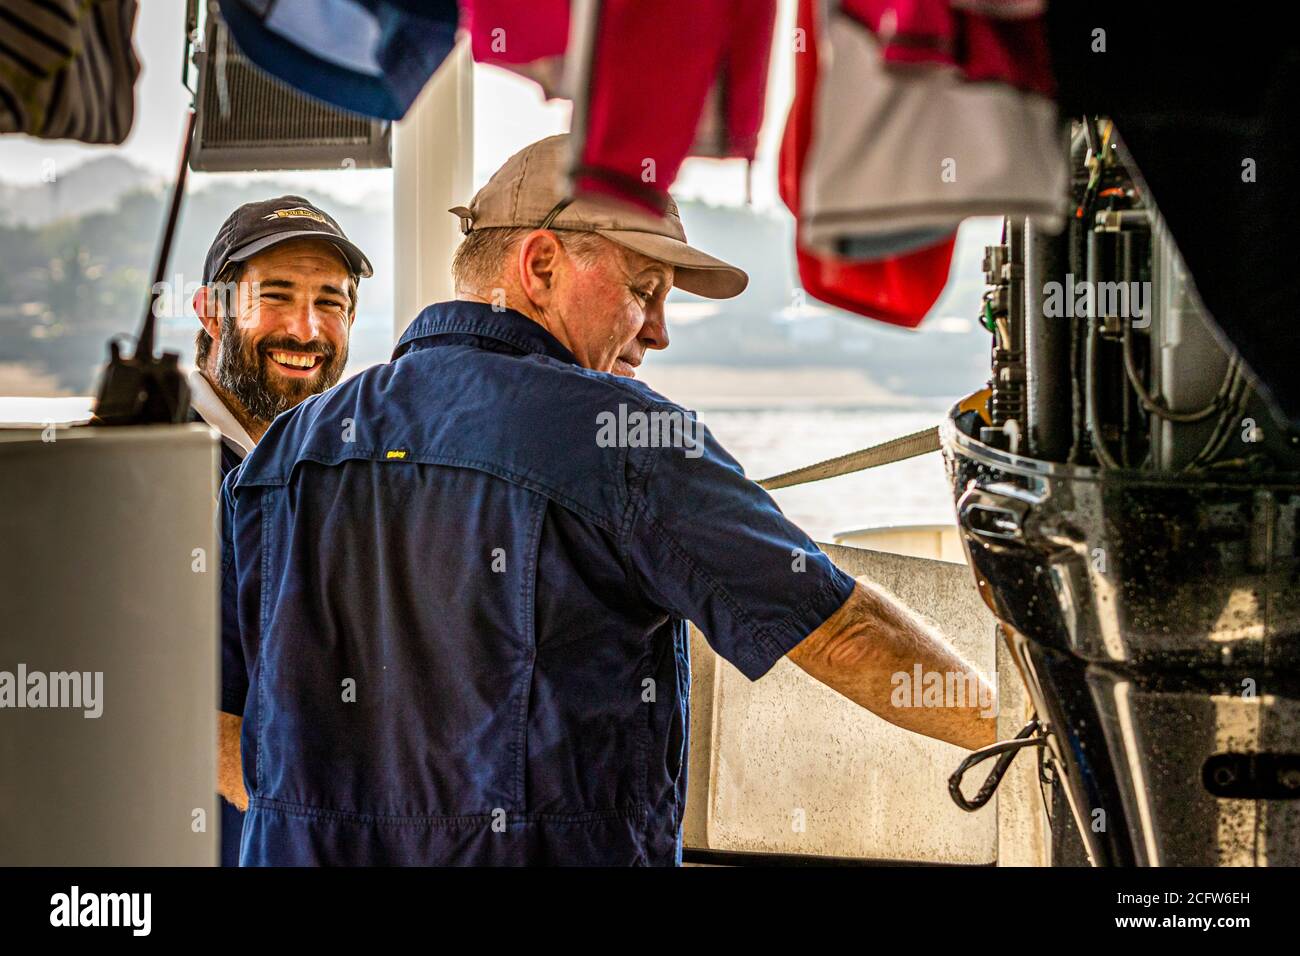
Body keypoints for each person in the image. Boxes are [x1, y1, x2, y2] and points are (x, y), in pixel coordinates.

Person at [217, 135, 994, 866]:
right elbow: (844, 635)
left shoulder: (282, 453)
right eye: (643, 291)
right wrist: (1018, 728)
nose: (658, 332)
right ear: (541, 266)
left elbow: (218, 721)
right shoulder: (627, 438)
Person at [189, 195, 371, 866]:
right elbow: (145, 696)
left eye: (330, 302)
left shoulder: (333, 474)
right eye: (276, 295)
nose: (305, 329)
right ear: (210, 311)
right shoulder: (152, 465)